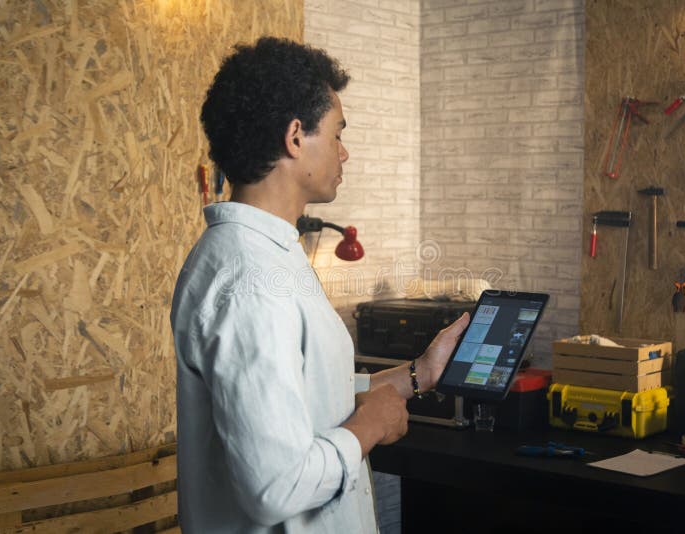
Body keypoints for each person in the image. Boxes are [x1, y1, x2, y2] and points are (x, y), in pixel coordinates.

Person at [170, 36, 469, 533]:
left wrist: (420, 373)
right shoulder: (249, 280)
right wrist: (370, 427)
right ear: (294, 137)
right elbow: (275, 487)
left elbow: (302, 398)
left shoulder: (268, 255)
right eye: (336, 134)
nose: (344, 152)